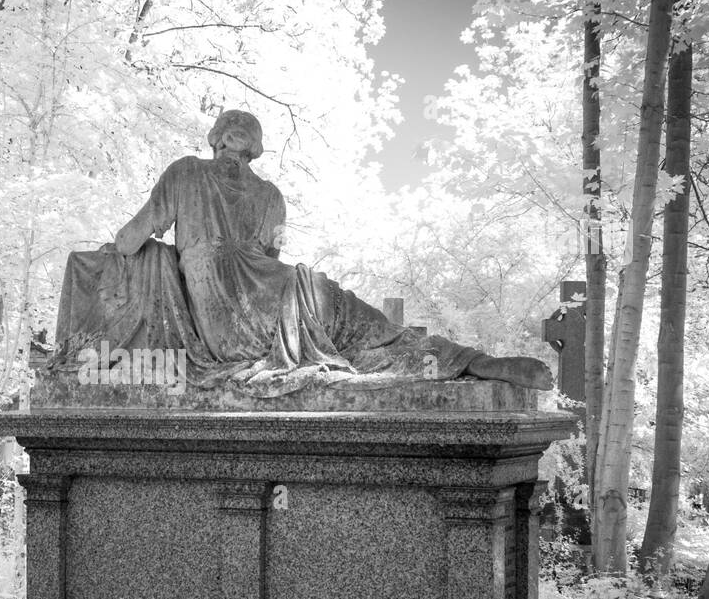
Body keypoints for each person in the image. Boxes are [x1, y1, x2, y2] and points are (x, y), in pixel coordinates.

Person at [51, 109, 551, 395]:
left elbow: (131, 239)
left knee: (345, 350)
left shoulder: (185, 173)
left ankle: (453, 361)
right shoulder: (269, 195)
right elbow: (269, 252)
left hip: (224, 325)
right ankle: (459, 359)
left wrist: (122, 255)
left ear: (217, 138)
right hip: (287, 285)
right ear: (254, 147)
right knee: (354, 324)